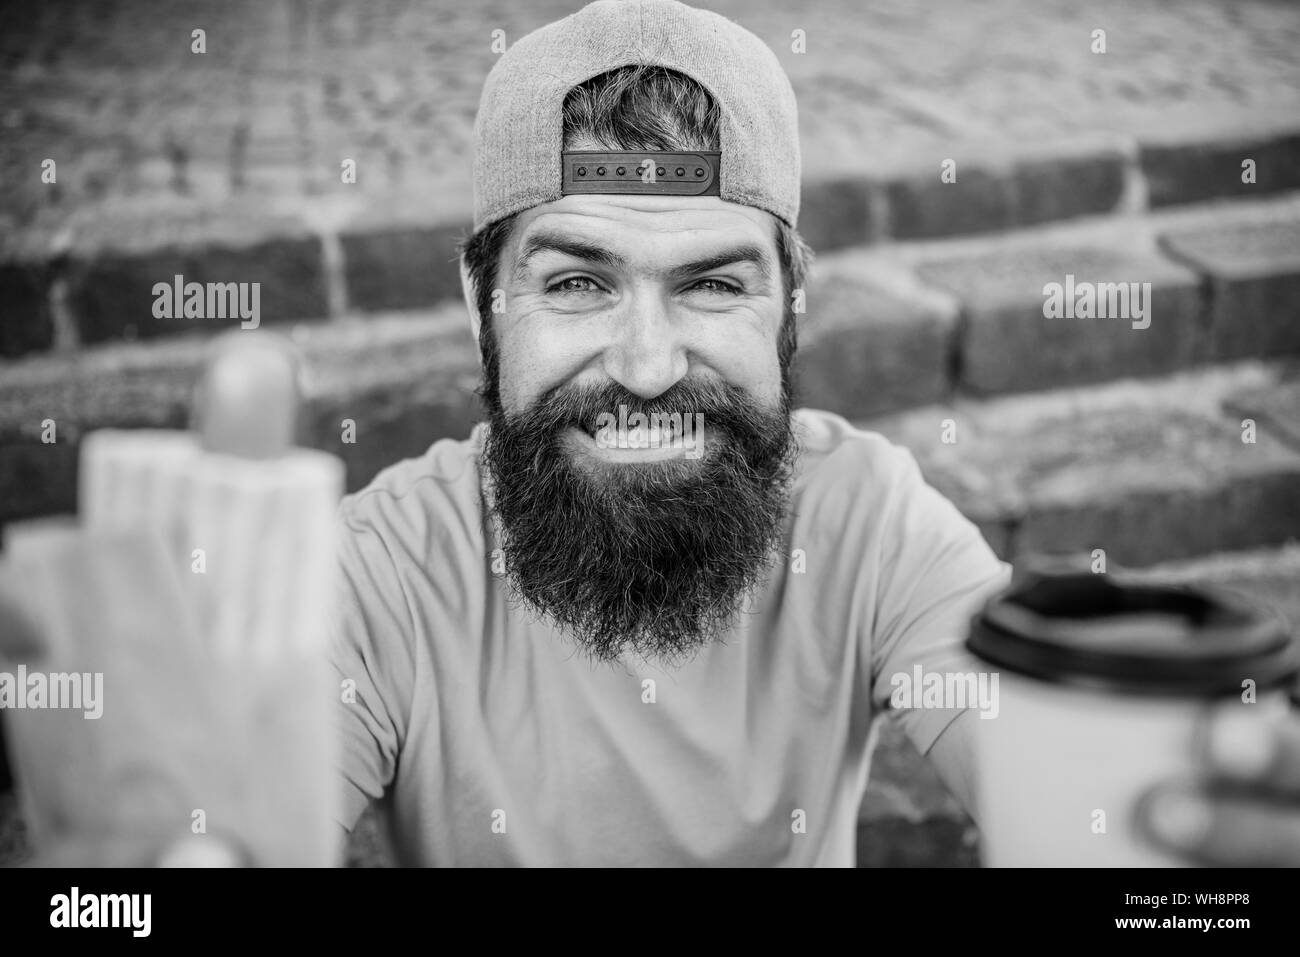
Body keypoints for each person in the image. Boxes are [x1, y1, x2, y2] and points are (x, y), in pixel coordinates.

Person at [328, 0, 1300, 866]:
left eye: (712, 285)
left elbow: (1046, 777)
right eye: (577, 284)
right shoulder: (376, 577)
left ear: (792, 304)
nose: (647, 365)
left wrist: (1167, 830)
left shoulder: (865, 522)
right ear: (480, 303)